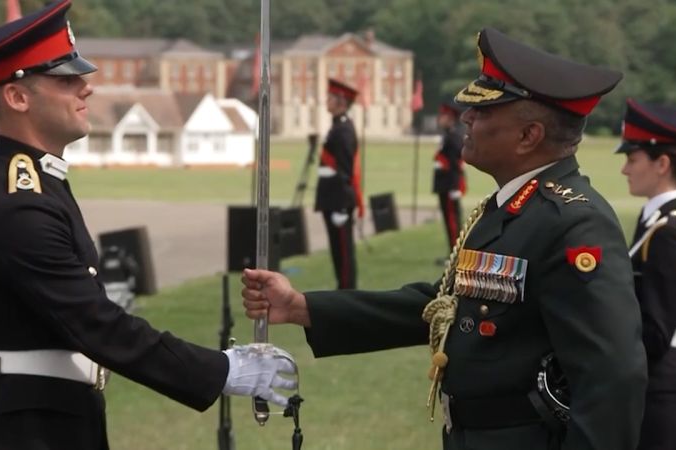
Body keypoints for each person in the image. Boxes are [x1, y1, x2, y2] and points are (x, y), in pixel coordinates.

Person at [242, 27, 647, 450]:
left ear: (529, 136)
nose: (466, 118)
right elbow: (443, 307)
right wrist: (303, 308)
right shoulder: (513, 207)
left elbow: (613, 381)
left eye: (484, 112)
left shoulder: (573, 223)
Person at [0, 2, 296, 449]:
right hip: (19, 428)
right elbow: (94, 324)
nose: (85, 88)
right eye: (65, 79)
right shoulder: (14, 200)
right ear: (17, 97)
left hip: (49, 416)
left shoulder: (39, 184)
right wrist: (222, 370)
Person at [616, 98, 676, 450]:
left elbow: (657, 332)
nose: (624, 170)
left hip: (666, 391)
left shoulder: (668, 234)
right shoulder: (657, 225)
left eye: (632, 159)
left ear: (662, 163)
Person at [314, 78, 364, 289]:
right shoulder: (337, 126)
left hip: (338, 200)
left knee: (343, 252)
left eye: (331, 98)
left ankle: (347, 291)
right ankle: (343, 289)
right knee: (337, 250)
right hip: (331, 199)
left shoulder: (343, 130)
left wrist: (343, 205)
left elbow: (345, 170)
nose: (327, 101)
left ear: (341, 102)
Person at [433, 100, 466, 259]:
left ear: (451, 118)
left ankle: (455, 255)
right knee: (449, 221)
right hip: (444, 185)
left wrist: (455, 187)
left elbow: (456, 164)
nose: (440, 119)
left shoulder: (454, 136)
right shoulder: (447, 135)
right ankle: (452, 253)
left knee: (453, 222)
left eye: (443, 116)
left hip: (449, 185)